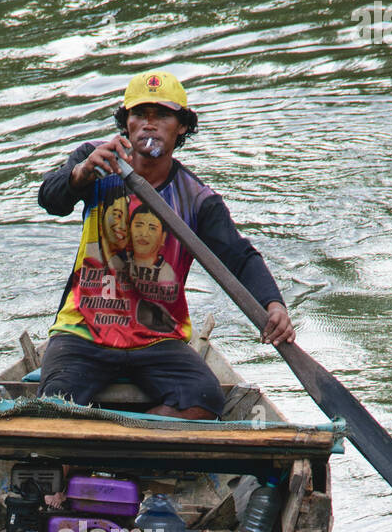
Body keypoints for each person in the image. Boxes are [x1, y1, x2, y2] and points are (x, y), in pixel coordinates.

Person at [36, 68, 295, 419]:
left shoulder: (196, 198)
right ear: (125, 123)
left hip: (157, 336)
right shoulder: (97, 161)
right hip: (84, 329)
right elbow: (51, 200)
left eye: (162, 116)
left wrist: (274, 305)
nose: (149, 124)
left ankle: (116, 452)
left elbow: (239, 257)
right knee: (54, 408)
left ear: (182, 126)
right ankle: (96, 451)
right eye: (140, 114)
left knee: (204, 399)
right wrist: (78, 175)